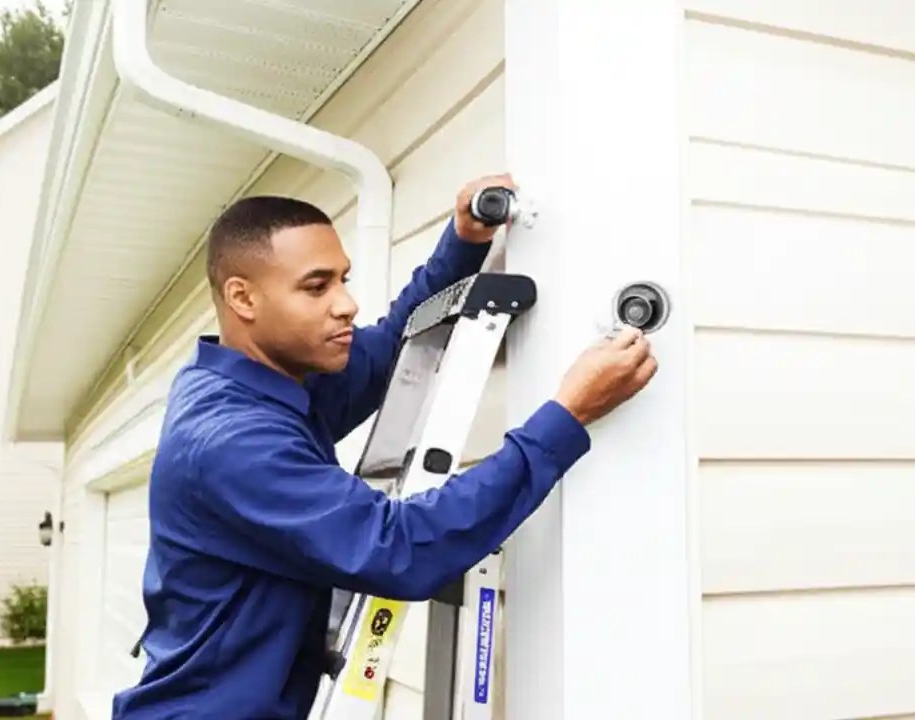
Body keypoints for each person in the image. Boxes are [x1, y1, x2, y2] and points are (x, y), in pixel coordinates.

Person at [111, 174, 658, 719]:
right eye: (316, 287)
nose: (346, 304)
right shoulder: (235, 440)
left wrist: (464, 242)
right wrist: (567, 416)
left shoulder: (264, 382)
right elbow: (401, 548)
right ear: (243, 297)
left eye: (343, 280)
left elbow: (388, 351)